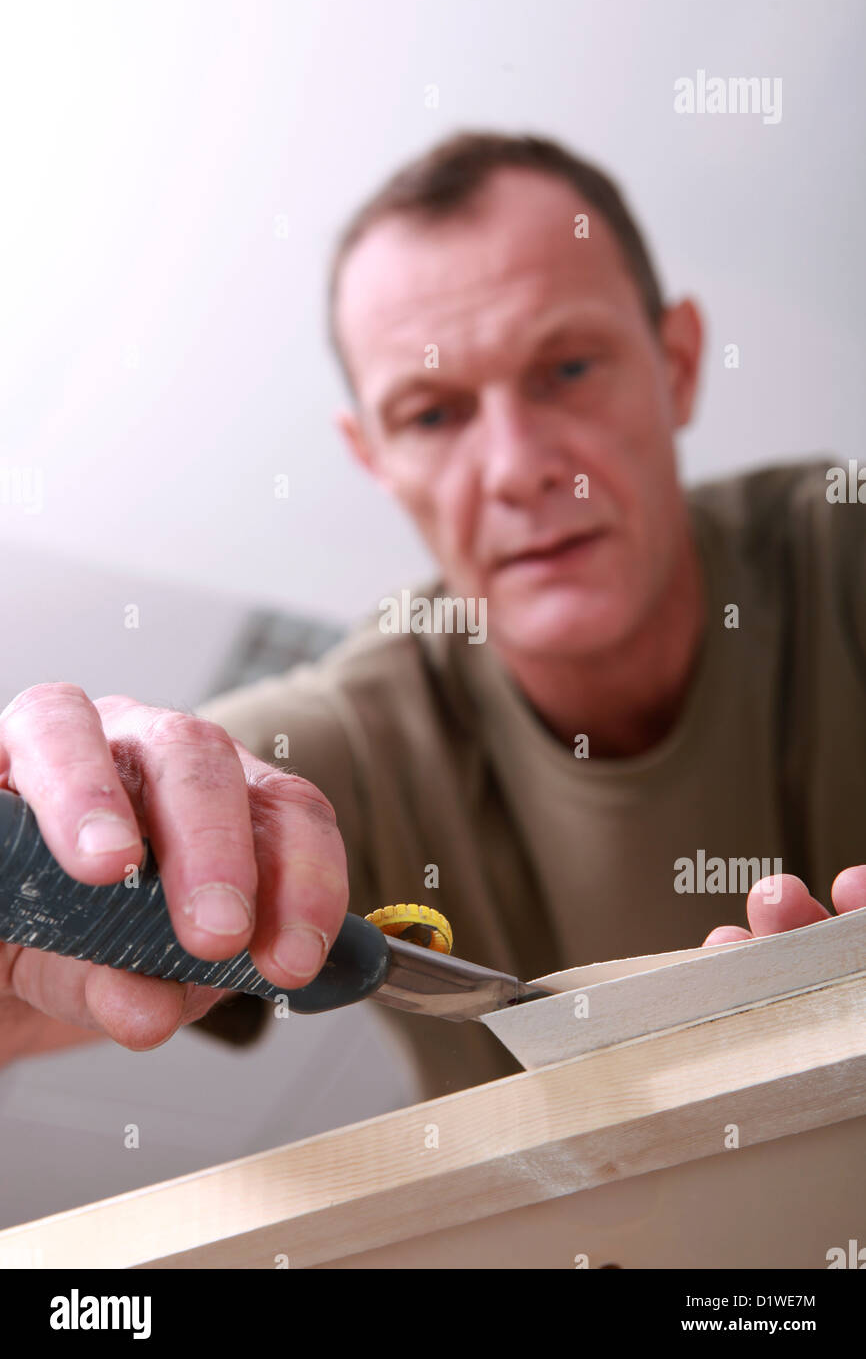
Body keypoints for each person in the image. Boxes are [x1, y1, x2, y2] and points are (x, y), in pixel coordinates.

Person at [1, 133, 864, 1103]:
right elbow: (55, 958)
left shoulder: (843, 547)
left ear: (677, 363)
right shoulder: (345, 745)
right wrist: (67, 841)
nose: (515, 467)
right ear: (371, 455)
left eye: (568, 367)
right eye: (430, 414)